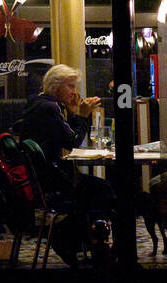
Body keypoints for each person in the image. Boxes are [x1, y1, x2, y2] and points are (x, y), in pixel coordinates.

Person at [15, 63, 115, 266]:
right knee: (102, 190)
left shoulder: (39, 104)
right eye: (70, 86)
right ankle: (79, 239)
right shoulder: (49, 108)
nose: (74, 91)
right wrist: (83, 116)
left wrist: (72, 113)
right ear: (55, 86)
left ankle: (87, 240)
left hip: (43, 180)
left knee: (97, 188)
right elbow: (72, 142)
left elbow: (63, 137)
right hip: (53, 183)